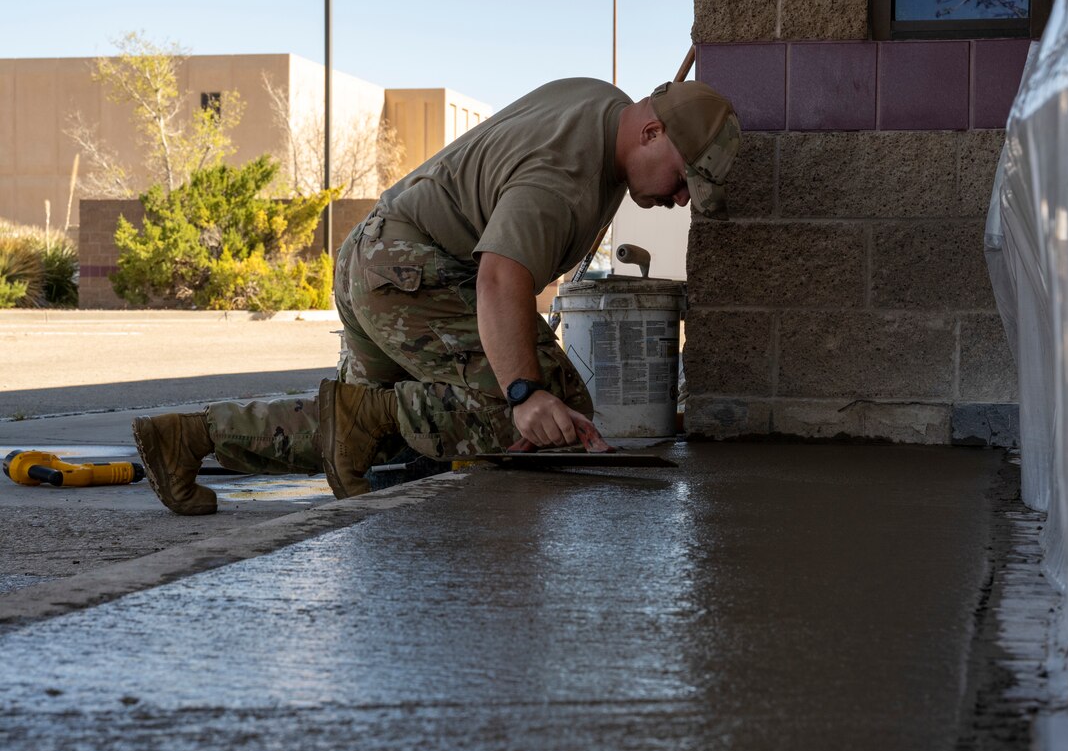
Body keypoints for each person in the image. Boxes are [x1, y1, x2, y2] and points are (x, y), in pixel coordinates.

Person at [132, 77, 741, 515]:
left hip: (375, 260)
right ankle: (373, 420)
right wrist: (523, 392)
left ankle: (188, 437)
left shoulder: (601, 101)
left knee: (362, 429)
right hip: (410, 272)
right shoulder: (564, 177)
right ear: (651, 131)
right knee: (550, 407)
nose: (680, 199)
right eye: (683, 180)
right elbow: (500, 278)